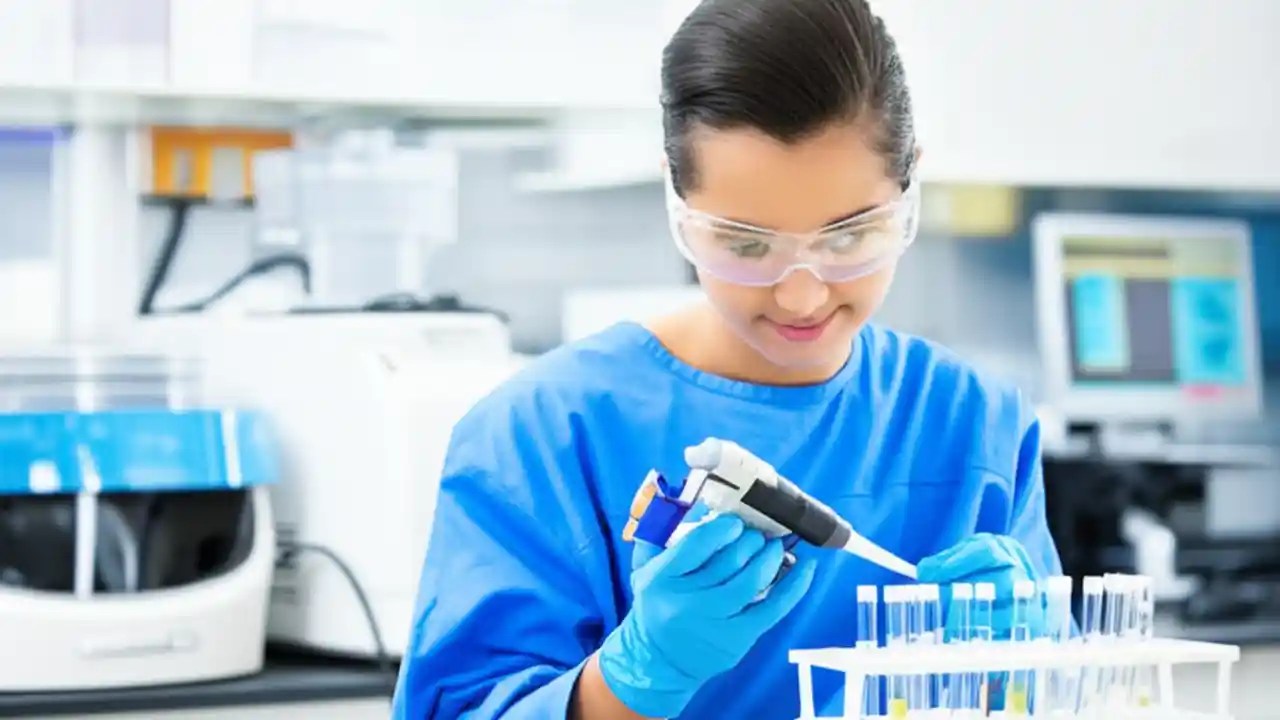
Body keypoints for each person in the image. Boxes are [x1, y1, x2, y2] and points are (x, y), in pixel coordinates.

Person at [392, 0, 1063, 717]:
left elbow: (1055, 695)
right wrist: (635, 675)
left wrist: (1035, 669)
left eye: (848, 237)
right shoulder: (543, 432)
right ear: (679, 204)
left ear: (907, 193)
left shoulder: (975, 426)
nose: (802, 296)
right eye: (746, 244)